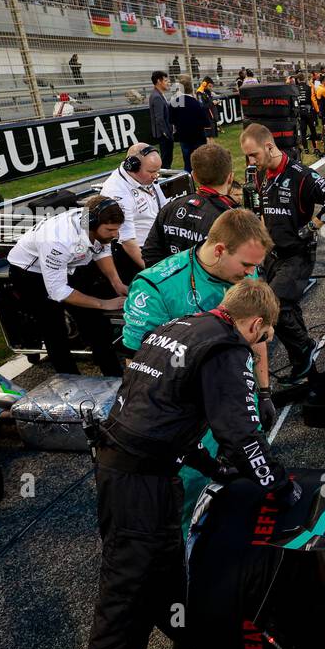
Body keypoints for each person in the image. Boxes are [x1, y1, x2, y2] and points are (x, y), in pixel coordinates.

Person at [61, 279, 295, 649]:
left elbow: (158, 410)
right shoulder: (228, 349)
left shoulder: (179, 326)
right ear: (255, 324)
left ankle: (188, 634)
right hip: (136, 483)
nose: (261, 345)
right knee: (123, 606)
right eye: (265, 337)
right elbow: (240, 432)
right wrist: (276, 485)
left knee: (168, 567)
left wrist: (212, 471)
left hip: (133, 467)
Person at [123, 207, 274, 532]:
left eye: (255, 266)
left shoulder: (244, 273)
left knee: (245, 493)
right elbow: (136, 366)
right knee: (181, 508)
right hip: (187, 424)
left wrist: (263, 392)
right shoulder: (156, 286)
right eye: (246, 265)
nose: (251, 273)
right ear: (220, 250)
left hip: (235, 409)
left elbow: (258, 334)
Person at [240, 122, 325, 382]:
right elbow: (266, 211)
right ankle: (303, 365)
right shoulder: (261, 173)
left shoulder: (301, 174)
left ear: (269, 146)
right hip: (273, 255)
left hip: (297, 256)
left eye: (254, 154)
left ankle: (304, 352)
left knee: (274, 306)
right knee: (288, 308)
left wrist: (313, 226)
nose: (251, 161)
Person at [6, 196, 127, 377]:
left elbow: (101, 249)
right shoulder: (58, 240)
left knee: (95, 325)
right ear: (92, 224)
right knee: (54, 330)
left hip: (70, 264)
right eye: (110, 230)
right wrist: (103, 303)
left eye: (117, 230)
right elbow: (59, 291)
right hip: (30, 274)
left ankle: (115, 377)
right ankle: (70, 381)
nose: (115, 235)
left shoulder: (90, 223)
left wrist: (116, 283)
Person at [141, 143, 237, 268]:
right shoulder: (232, 218)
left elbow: (150, 253)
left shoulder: (170, 208)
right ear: (230, 177)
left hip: (170, 284)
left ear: (194, 176)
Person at [99, 143, 167, 282]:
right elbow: (128, 241)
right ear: (133, 166)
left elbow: (163, 205)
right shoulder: (117, 192)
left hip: (155, 244)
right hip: (135, 254)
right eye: (151, 171)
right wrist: (153, 272)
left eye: (157, 171)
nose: (155, 176)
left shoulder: (146, 177)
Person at [170, 74, 211, 172]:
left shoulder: (174, 103)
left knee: (187, 161)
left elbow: (171, 120)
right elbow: (206, 122)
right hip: (198, 137)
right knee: (200, 160)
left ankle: (189, 179)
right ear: (191, 89)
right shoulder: (196, 104)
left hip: (183, 137)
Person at [148, 71, 173, 167]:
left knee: (167, 159)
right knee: (166, 160)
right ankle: (166, 181)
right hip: (164, 135)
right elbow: (159, 118)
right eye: (166, 80)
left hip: (165, 133)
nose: (168, 83)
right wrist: (166, 133)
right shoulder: (156, 96)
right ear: (159, 81)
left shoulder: (158, 94)